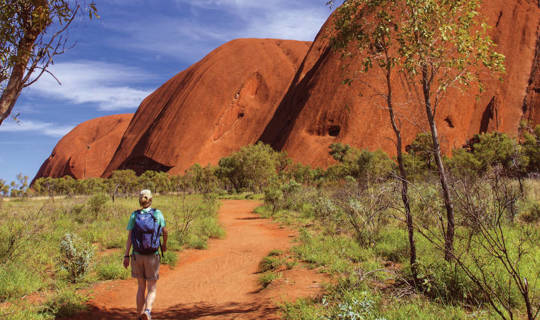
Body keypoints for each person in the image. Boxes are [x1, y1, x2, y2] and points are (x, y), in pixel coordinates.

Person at [123, 189, 168, 320]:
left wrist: (126, 255)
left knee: (141, 287)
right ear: (151, 200)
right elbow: (165, 231)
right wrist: (164, 244)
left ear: (140, 200)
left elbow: (130, 237)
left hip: (137, 255)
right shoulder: (157, 214)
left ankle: (139, 315)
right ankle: (147, 311)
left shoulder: (134, 215)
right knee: (152, 287)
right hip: (152, 255)